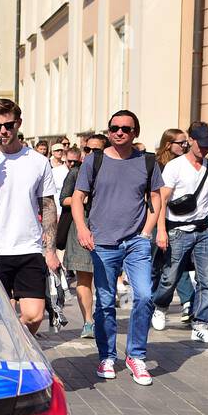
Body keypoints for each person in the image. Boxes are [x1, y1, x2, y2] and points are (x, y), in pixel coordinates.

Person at [70, 110, 165, 385]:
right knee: (106, 301)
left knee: (145, 296)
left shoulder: (147, 162)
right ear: (109, 130)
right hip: (102, 243)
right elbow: (78, 198)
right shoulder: (94, 160)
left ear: (135, 132)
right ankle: (107, 354)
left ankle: (136, 355)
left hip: (136, 242)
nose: (119, 132)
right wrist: (82, 228)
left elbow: (156, 197)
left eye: (126, 128)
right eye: (114, 128)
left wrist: (147, 231)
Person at [0, 98, 59, 336]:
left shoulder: (38, 161)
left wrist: (50, 250)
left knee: (34, 314)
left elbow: (48, 206)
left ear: (18, 123)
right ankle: (10, 354)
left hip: (29, 247)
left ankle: (18, 345)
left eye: (8, 125)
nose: (3, 131)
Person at [152, 123, 208, 344]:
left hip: (205, 230)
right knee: (169, 277)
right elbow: (162, 200)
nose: (204, 150)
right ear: (190, 141)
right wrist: (162, 230)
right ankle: (160, 306)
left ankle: (201, 324)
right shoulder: (175, 166)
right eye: (200, 145)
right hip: (177, 230)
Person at [56, 144, 95, 337]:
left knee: (106, 280)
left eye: (97, 150)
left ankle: (102, 319)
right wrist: (81, 199)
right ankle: (89, 321)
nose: (92, 154)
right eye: (89, 150)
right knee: (84, 276)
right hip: (80, 228)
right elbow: (63, 199)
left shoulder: (114, 173)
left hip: (107, 230)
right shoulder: (76, 173)